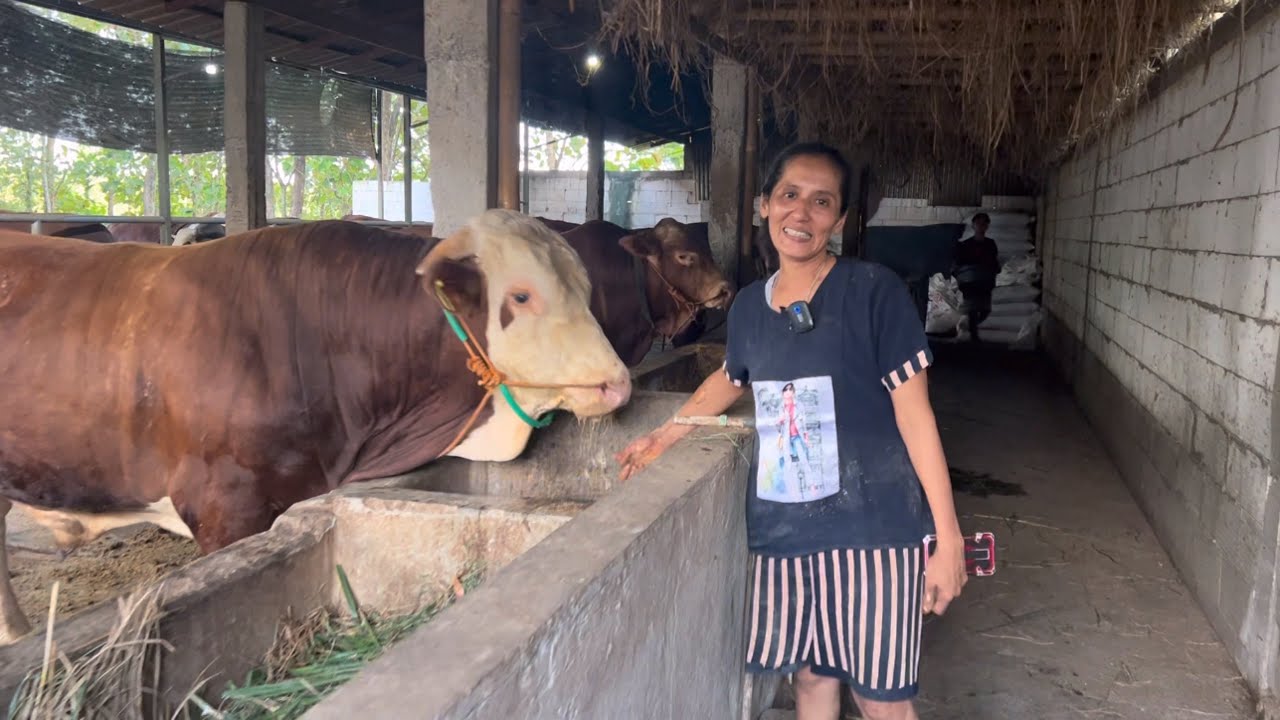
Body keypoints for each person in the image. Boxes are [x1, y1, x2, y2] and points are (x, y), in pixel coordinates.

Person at [615, 142, 967, 720]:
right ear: (764, 205)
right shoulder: (751, 306)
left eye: (821, 202)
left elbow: (915, 415)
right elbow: (730, 381)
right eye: (789, 195)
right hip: (786, 533)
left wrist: (947, 539)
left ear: (840, 220)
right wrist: (660, 437)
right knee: (810, 681)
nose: (801, 214)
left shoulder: (874, 292)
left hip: (873, 529)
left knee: (881, 698)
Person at [952, 212, 1000, 343]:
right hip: (970, 283)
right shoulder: (966, 245)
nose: (981, 226)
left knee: (985, 310)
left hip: (985, 282)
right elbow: (959, 262)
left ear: (987, 226)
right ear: (973, 226)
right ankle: (974, 337)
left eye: (984, 223)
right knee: (973, 309)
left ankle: (970, 328)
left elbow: (994, 262)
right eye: (978, 223)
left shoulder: (990, 244)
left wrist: (994, 271)